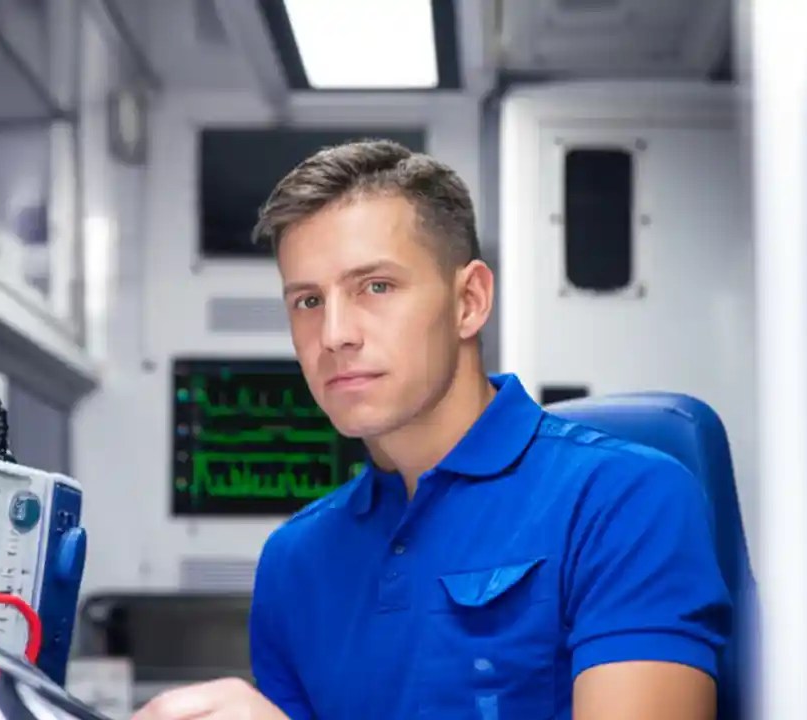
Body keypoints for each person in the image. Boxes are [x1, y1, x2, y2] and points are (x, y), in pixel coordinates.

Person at [132, 140, 730, 719]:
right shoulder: (294, 563)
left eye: (376, 287)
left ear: (468, 301)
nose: (335, 333)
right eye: (308, 301)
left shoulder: (624, 500)